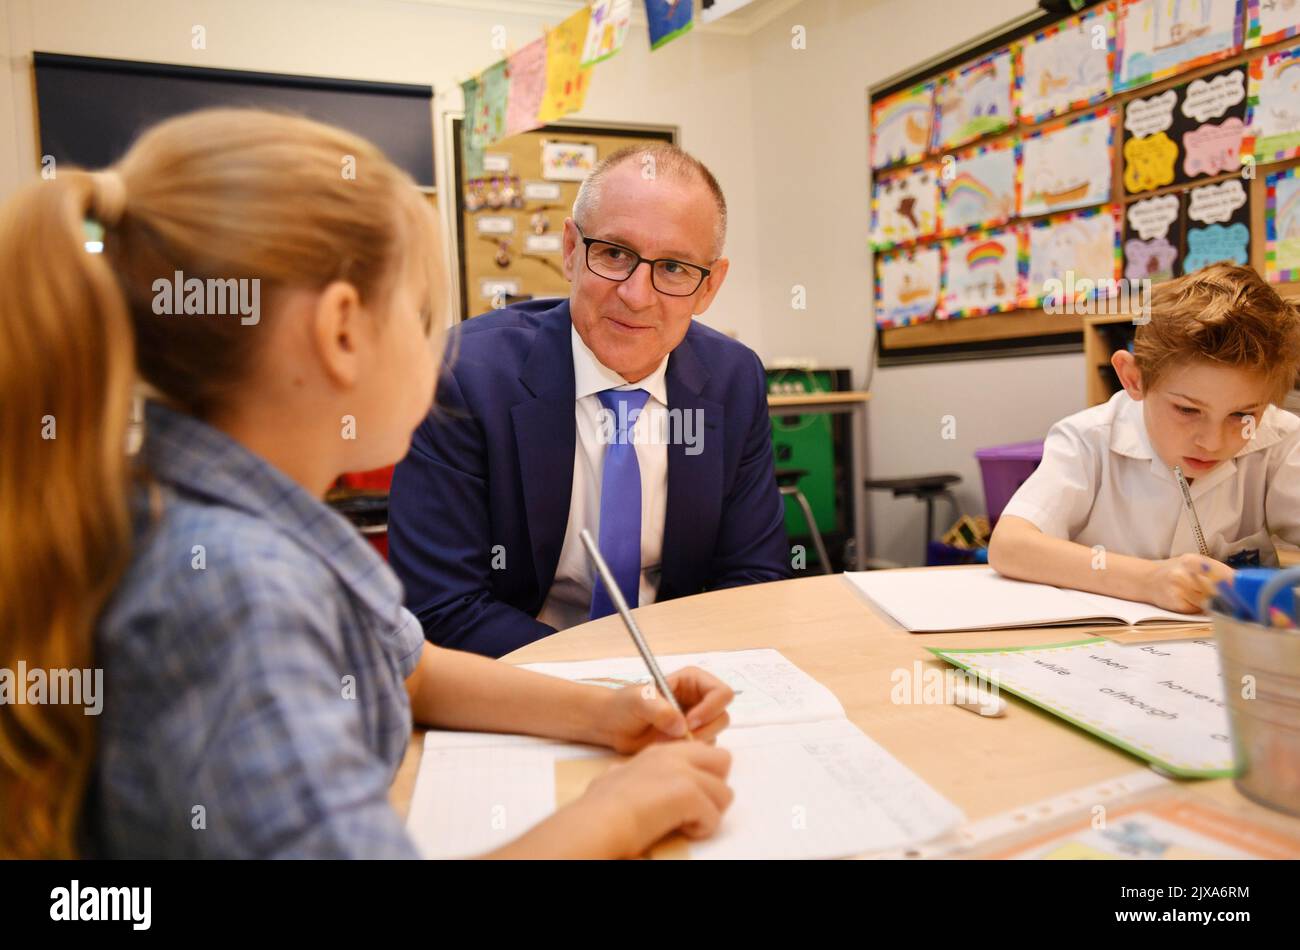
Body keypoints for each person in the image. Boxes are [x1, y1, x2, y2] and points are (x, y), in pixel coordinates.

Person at [0, 109, 735, 859]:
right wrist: (618, 812)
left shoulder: (256, 524)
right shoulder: (239, 590)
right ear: (343, 332)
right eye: (419, 316)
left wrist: (604, 713)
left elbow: (408, 670)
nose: (441, 351)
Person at [388, 143, 791, 657]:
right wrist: (607, 682)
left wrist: (674, 673)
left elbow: (754, 576)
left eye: (673, 268)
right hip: (520, 678)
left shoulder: (734, 380)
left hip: (677, 674)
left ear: (708, 287)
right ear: (571, 250)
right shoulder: (465, 375)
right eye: (615, 254)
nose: (636, 295)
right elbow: (441, 606)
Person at [989, 263, 1300, 613]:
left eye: (1242, 415)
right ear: (1134, 379)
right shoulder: (1088, 439)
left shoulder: (1280, 439)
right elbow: (1009, 545)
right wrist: (1148, 581)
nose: (1212, 442)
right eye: (1187, 410)